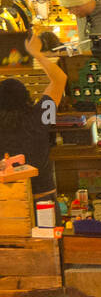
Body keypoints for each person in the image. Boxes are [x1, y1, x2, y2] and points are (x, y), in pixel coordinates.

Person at [0, 31, 66, 206]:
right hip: (44, 198)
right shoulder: (41, 117)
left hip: (10, 202)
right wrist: (36, 54)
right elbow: (60, 79)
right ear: (27, 97)